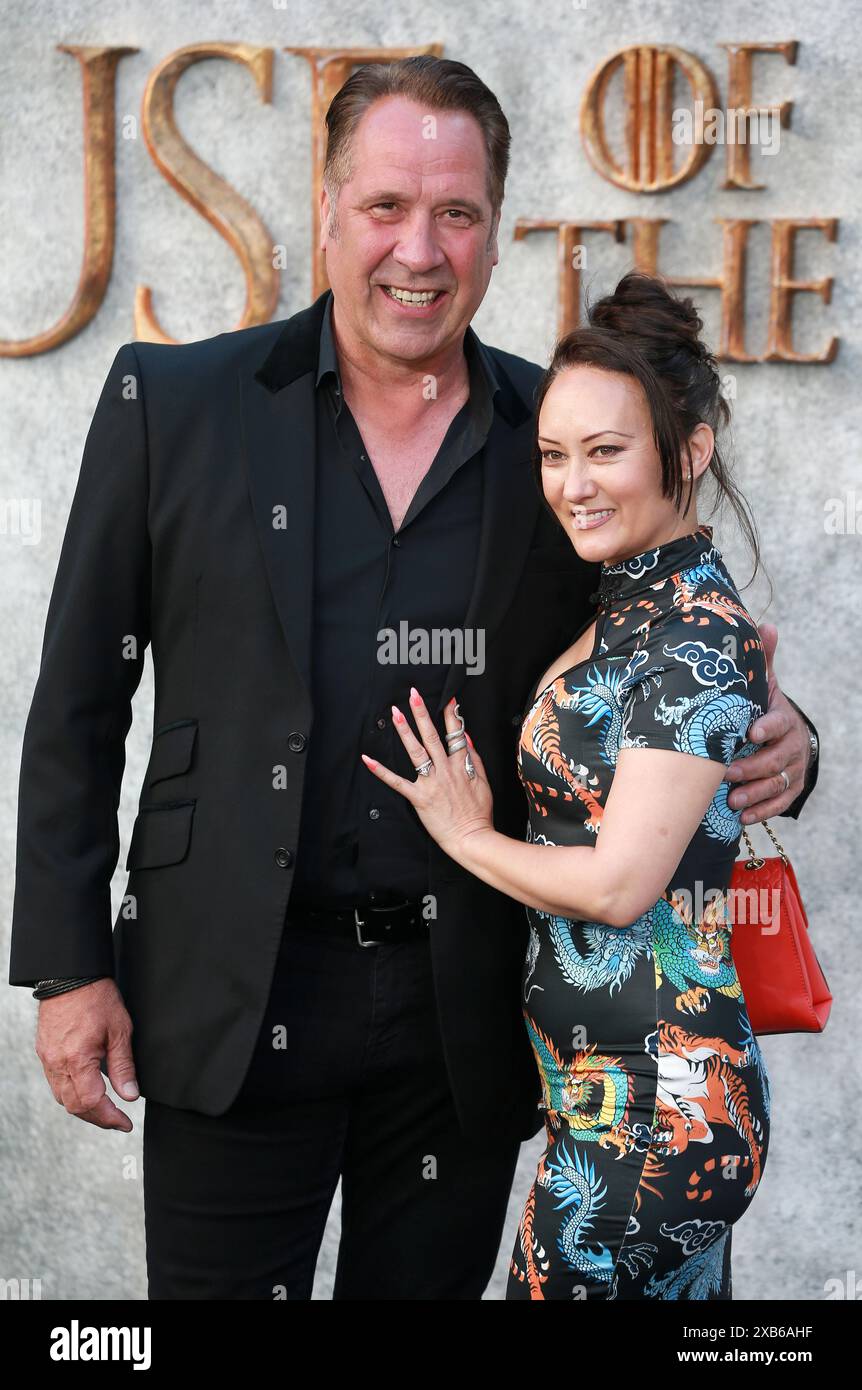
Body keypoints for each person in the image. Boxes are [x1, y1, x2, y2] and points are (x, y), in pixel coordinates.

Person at [9, 57, 818, 1301]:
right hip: (230, 989)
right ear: (327, 210)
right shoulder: (177, 403)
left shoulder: (560, 439)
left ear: (494, 232)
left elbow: (669, 640)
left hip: (465, 1012)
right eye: (386, 206)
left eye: (455, 213)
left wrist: (784, 734)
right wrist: (68, 968)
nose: (419, 249)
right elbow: (76, 701)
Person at [364, 269, 792, 1299]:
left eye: (605, 450)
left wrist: (463, 833)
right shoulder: (628, 609)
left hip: (660, 1110)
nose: (572, 483)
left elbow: (616, 885)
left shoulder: (692, 632)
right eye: (554, 454)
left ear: (688, 452)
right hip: (600, 1095)